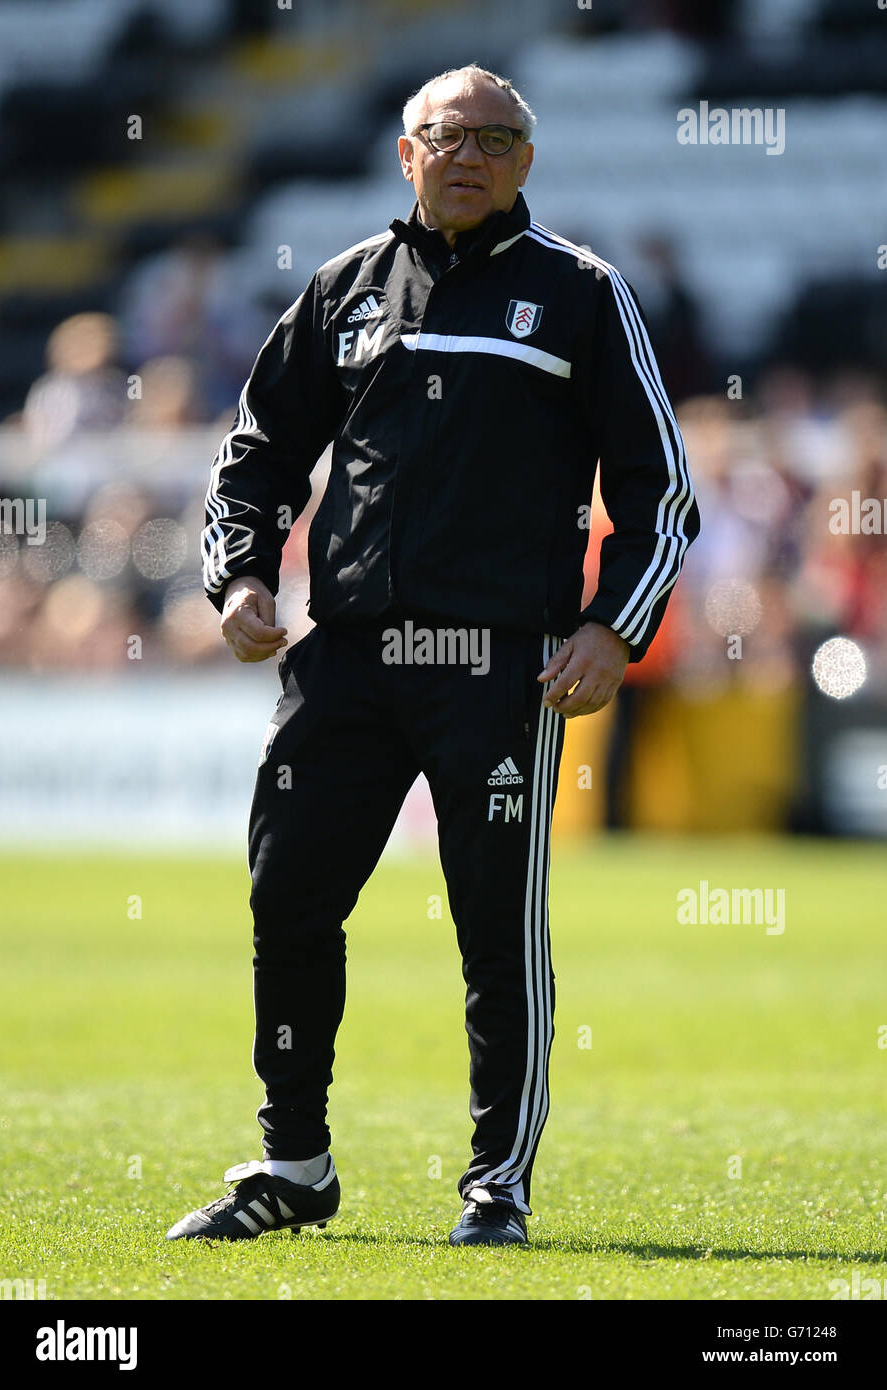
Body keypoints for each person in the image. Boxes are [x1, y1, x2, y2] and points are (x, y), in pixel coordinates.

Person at [168, 63, 699, 1248]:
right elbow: (255, 453)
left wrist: (614, 627)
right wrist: (243, 574)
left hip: (498, 663)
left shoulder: (581, 295)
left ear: (526, 162)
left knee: (492, 929)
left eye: (496, 139)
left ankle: (494, 1186)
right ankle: (293, 1163)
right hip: (346, 657)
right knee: (287, 896)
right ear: (404, 152)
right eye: (446, 136)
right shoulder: (342, 289)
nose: (469, 156)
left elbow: (659, 491)